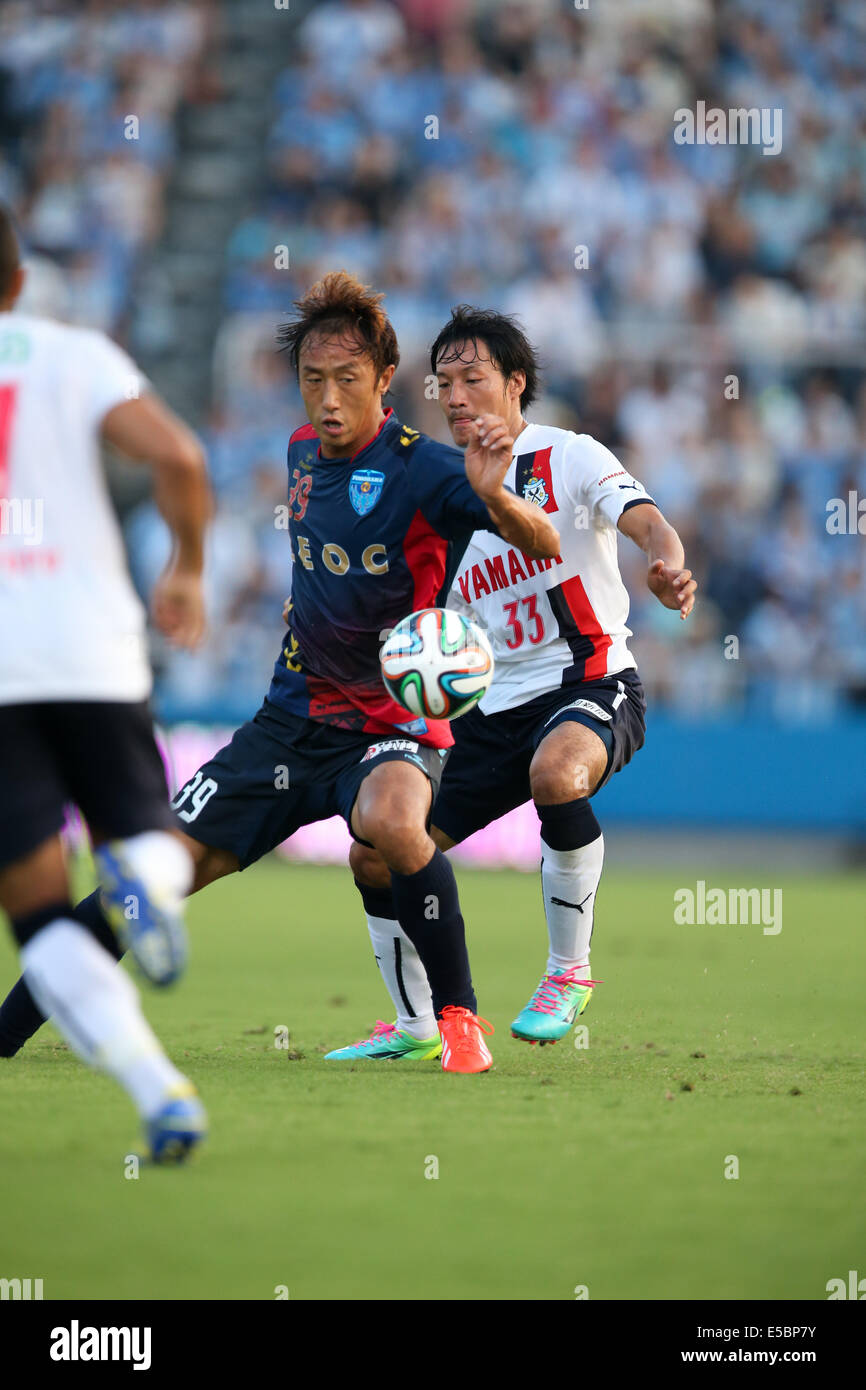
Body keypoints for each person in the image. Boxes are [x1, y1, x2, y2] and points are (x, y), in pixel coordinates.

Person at [0, 272, 561, 1075]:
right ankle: (6, 1032)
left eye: (347, 382)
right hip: (287, 726)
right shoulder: (301, 453)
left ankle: (459, 1020)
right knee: (146, 880)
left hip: (391, 724)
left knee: (399, 826)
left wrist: (496, 502)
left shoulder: (430, 470)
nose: (327, 400)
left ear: (381, 383)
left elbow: (542, 543)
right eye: (312, 381)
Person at [325, 305, 696, 1061]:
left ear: (516, 384)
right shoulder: (432, 486)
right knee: (374, 852)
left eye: (474, 379)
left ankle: (569, 972)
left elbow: (650, 523)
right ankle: (415, 1022)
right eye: (446, 383)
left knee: (558, 774)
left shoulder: (571, 456)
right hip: (486, 713)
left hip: (591, 681)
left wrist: (665, 564)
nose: (456, 396)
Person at [0, 206, 212, 1159]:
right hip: (90, 647)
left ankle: (160, 1091)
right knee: (153, 843)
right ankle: (142, 879)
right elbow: (178, 454)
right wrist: (187, 568)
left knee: (39, 913)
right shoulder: (70, 352)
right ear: (17, 281)